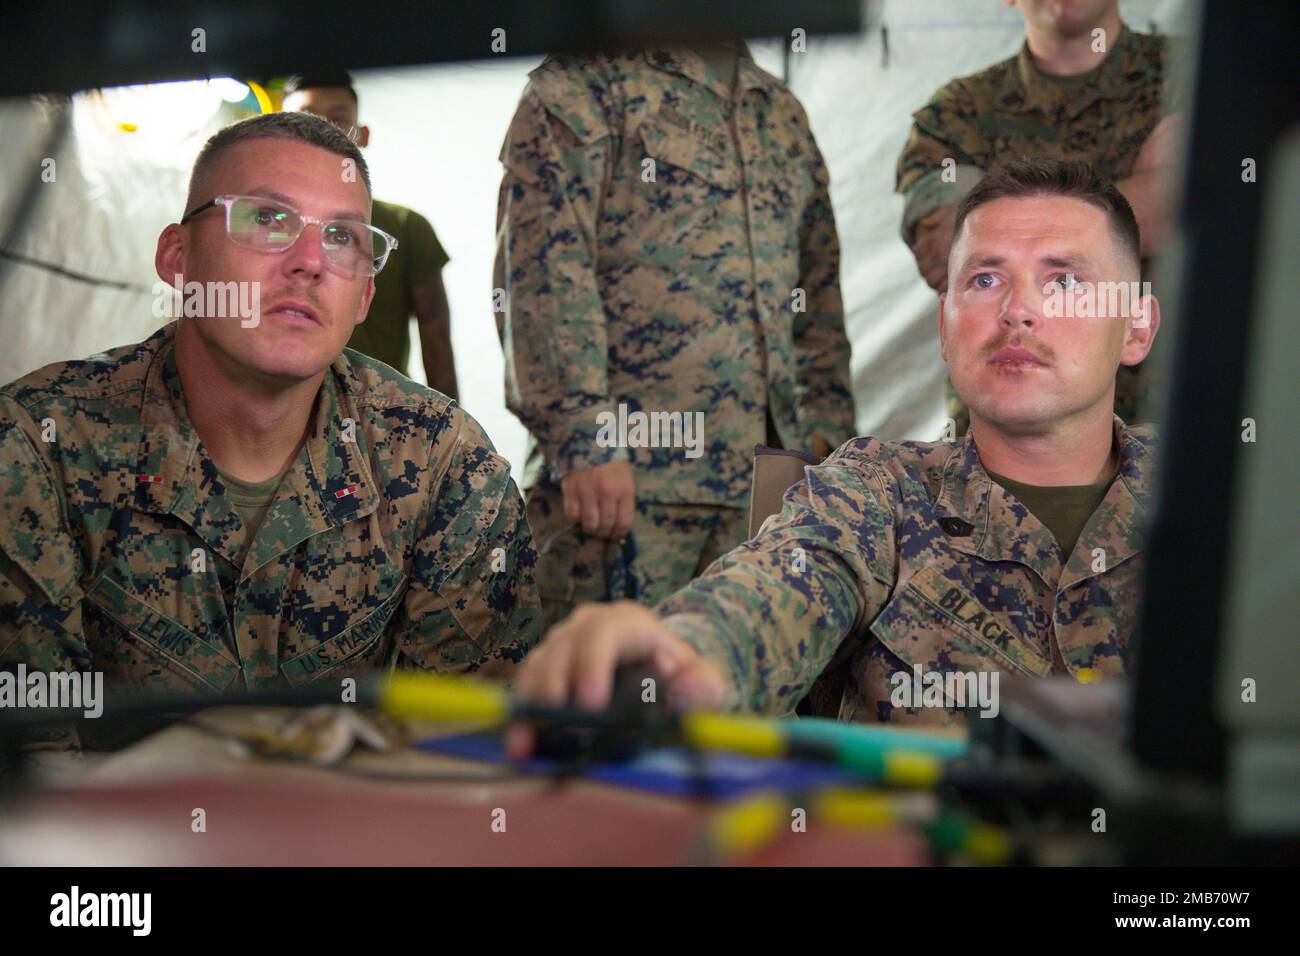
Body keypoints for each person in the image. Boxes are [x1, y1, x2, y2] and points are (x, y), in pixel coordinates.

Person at [507, 159, 1161, 744]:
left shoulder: (1226, 498)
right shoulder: (876, 493)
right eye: (986, 279)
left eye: (1066, 281)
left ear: (1136, 326)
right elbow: (766, 597)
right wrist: (671, 654)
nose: (1018, 310)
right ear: (944, 325)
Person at [0, 112, 539, 752]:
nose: (310, 261)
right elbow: (30, 772)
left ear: (363, 296)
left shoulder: (444, 464)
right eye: (266, 219)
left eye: (342, 237)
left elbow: (470, 752)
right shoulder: (38, 445)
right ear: (178, 258)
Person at [494, 41, 856, 631]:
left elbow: (817, 293)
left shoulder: (780, 111)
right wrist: (584, 440)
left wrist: (831, 449)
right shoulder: (585, 84)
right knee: (613, 705)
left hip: (768, 495)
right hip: (630, 488)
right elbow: (542, 271)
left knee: (743, 708)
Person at [897, 0, 1177, 433]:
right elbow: (944, 253)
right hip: (1003, 452)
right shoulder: (958, 112)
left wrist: (1005, 232)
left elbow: (1246, 212)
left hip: (1176, 431)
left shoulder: (1196, 78)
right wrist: (1150, 192)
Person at [284, 71, 459, 399]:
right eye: (304, 121)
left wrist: (455, 444)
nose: (321, 133)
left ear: (362, 135)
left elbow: (437, 347)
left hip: (381, 425)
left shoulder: (407, 227)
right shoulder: (260, 226)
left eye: (336, 120)